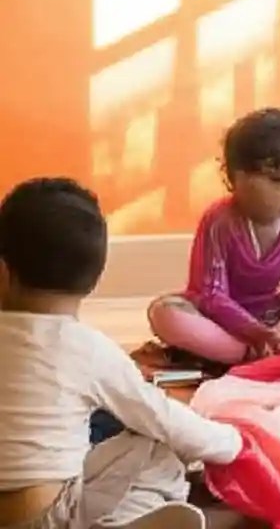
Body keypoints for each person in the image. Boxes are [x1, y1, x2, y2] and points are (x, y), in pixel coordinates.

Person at [0, 177, 242, 528]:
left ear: (3, 272)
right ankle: (126, 518)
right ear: (95, 278)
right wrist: (231, 442)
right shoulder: (89, 349)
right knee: (156, 445)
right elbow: (161, 417)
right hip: (50, 514)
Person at [146, 108, 280, 366]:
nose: (260, 189)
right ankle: (246, 354)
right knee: (165, 313)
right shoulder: (218, 221)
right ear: (232, 176)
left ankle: (263, 350)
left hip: (270, 316)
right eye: (249, 177)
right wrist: (256, 333)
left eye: (275, 180)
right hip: (217, 319)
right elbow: (211, 295)